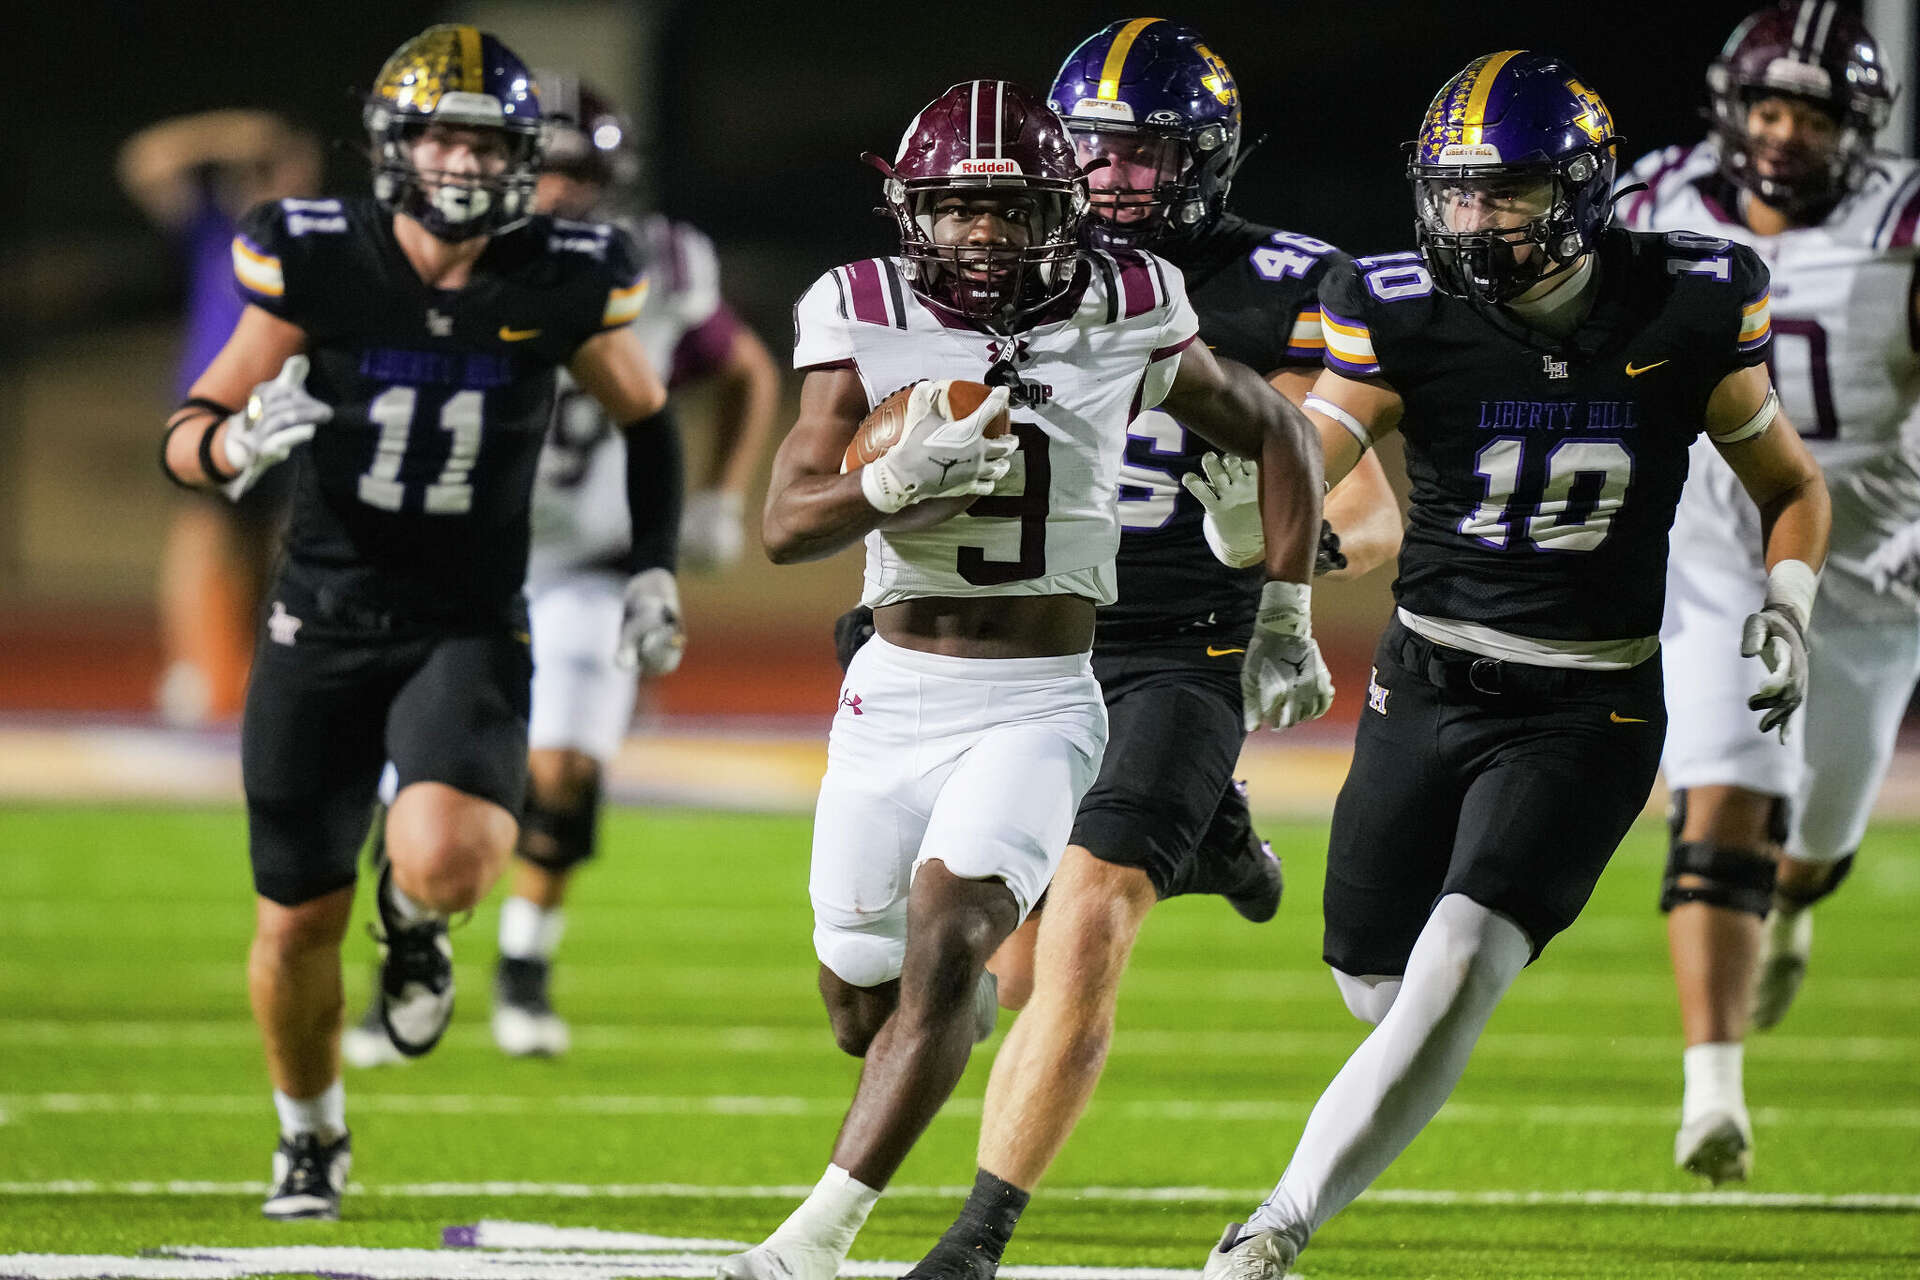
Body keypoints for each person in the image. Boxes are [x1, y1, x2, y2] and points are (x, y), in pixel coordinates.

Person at [1199, 52, 1830, 1279]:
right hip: (1427, 680)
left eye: (1508, 194)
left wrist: (1790, 600)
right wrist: (1262, 544)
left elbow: (1791, 486)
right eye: (1457, 193)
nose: (1475, 221)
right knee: (1373, 988)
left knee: (1456, 963)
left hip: (1585, 704)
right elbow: (1313, 444)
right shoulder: (1395, 304)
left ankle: (1274, 1224)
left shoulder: (1687, 299)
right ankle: (1389, 1078)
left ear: (1585, 193)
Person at [718, 79, 1329, 1280]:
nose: (982, 235)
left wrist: (1285, 613)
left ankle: (813, 1240)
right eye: (956, 210)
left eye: (1010, 210)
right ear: (911, 211)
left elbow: (1278, 428)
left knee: (956, 944)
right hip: (892, 689)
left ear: (1065, 210)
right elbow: (787, 524)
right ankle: (934, 1016)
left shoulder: (1132, 300)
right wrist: (881, 490)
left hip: (1046, 693)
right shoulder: (861, 304)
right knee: (862, 1000)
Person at [897, 23, 1400, 1279]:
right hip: (1023, 639)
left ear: (1208, 159)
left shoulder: (1287, 282)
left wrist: (1289, 567)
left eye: (1147, 155)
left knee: (1086, 925)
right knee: (985, 951)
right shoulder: (996, 259)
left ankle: (979, 1233)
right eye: (1096, 154)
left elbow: (1371, 508)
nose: (1117, 181)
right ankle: (1216, 834)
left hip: (1184, 639)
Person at [156, 25, 682, 1220]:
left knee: (447, 856)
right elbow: (190, 426)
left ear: (518, 156)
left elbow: (646, 418)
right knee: (294, 921)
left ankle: (416, 918)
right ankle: (311, 1131)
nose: (460, 159)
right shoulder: (321, 259)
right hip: (322, 615)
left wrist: (653, 565)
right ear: (398, 145)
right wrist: (232, 445)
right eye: (442, 133)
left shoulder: (560, 269)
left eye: (486, 138)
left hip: (464, 614)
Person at [341, 73, 777, 1066]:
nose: (568, 192)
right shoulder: (434, 250)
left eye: (588, 173)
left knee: (567, 771)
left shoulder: (659, 263)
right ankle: (403, 954)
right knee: (412, 780)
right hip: (453, 557)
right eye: (556, 169)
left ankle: (525, 963)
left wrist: (715, 495)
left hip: (588, 558)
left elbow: (747, 367)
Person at [1619, 0, 1912, 1184]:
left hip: (1871, 565)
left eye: (1815, 115)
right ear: (1734, 110)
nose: (1787, 136)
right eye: (1771, 108)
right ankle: (1712, 1093)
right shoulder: (1652, 203)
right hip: (1715, 554)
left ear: (1862, 128)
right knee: (1724, 800)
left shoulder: (1900, 228)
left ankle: (1799, 900)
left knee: (1817, 837)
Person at [119, 110, 322, 725]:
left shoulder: (314, 237)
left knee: (272, 547)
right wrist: (233, 134)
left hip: (289, 409)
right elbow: (143, 161)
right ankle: (194, 668)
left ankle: (255, 669)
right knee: (203, 536)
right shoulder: (216, 226)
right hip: (212, 405)